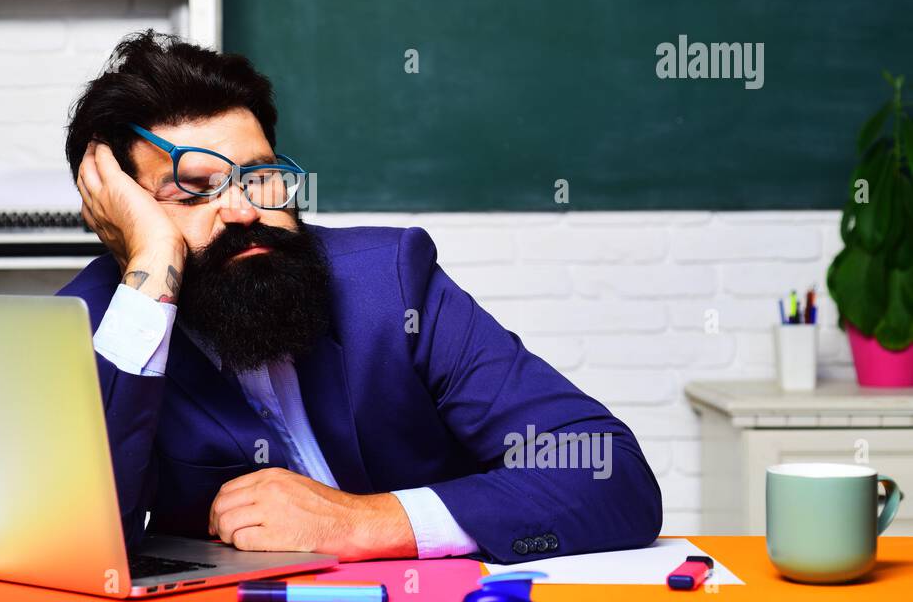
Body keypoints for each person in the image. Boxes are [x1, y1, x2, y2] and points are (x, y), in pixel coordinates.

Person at [59, 29, 662, 563]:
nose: (244, 210)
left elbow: (609, 471)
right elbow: (70, 542)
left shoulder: (393, 283)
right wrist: (153, 264)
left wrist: (365, 523)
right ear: (122, 213)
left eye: (261, 175)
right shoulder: (92, 325)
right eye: (192, 192)